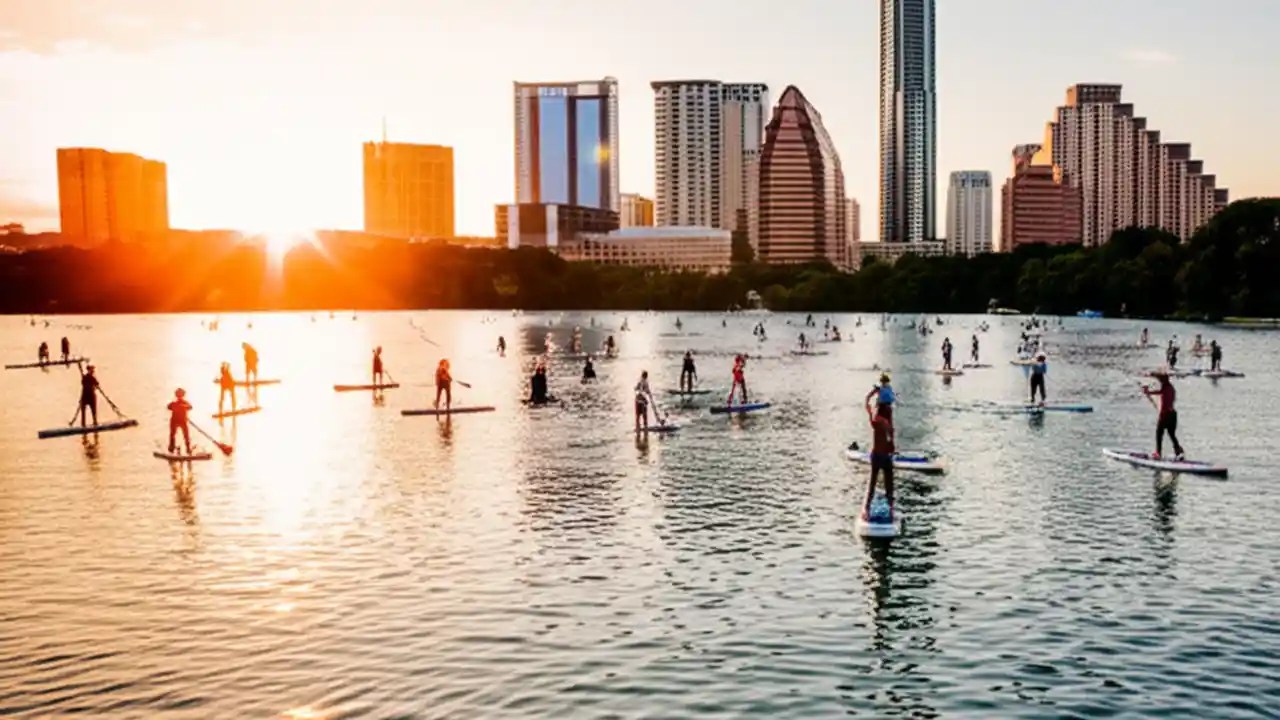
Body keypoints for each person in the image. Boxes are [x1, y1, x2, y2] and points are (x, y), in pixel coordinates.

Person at [860, 397, 896, 524]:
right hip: (886, 457)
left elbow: (867, 404)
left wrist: (873, 393)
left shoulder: (875, 421)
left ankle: (866, 510)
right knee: (889, 486)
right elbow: (891, 445)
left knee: (872, 484)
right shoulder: (888, 425)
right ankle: (891, 511)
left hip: (875, 456)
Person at [1143, 371, 1184, 460]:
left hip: (1165, 414)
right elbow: (1159, 392)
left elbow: (1159, 393)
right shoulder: (1171, 388)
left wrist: (1147, 391)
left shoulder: (1165, 389)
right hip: (1173, 414)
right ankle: (1178, 451)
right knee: (1171, 434)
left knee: (1159, 433)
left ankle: (1158, 453)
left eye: (1160, 381)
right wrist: (1148, 391)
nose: (1159, 382)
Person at [167, 388, 193, 455]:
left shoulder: (185, 403)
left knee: (186, 435)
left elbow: (190, 407)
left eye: (180, 394)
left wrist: (182, 407)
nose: (179, 396)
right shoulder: (173, 403)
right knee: (172, 435)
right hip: (174, 421)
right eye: (178, 394)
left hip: (183, 421)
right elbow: (168, 407)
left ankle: (188, 449)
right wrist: (175, 406)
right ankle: (171, 449)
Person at [77, 363, 100, 427]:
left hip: (91, 396)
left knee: (94, 412)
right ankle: (83, 426)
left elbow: (97, 384)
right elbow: (84, 384)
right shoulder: (86, 377)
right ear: (89, 370)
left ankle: (95, 424)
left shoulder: (91, 377)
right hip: (86, 396)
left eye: (93, 370)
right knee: (84, 413)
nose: (93, 371)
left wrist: (95, 387)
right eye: (92, 369)